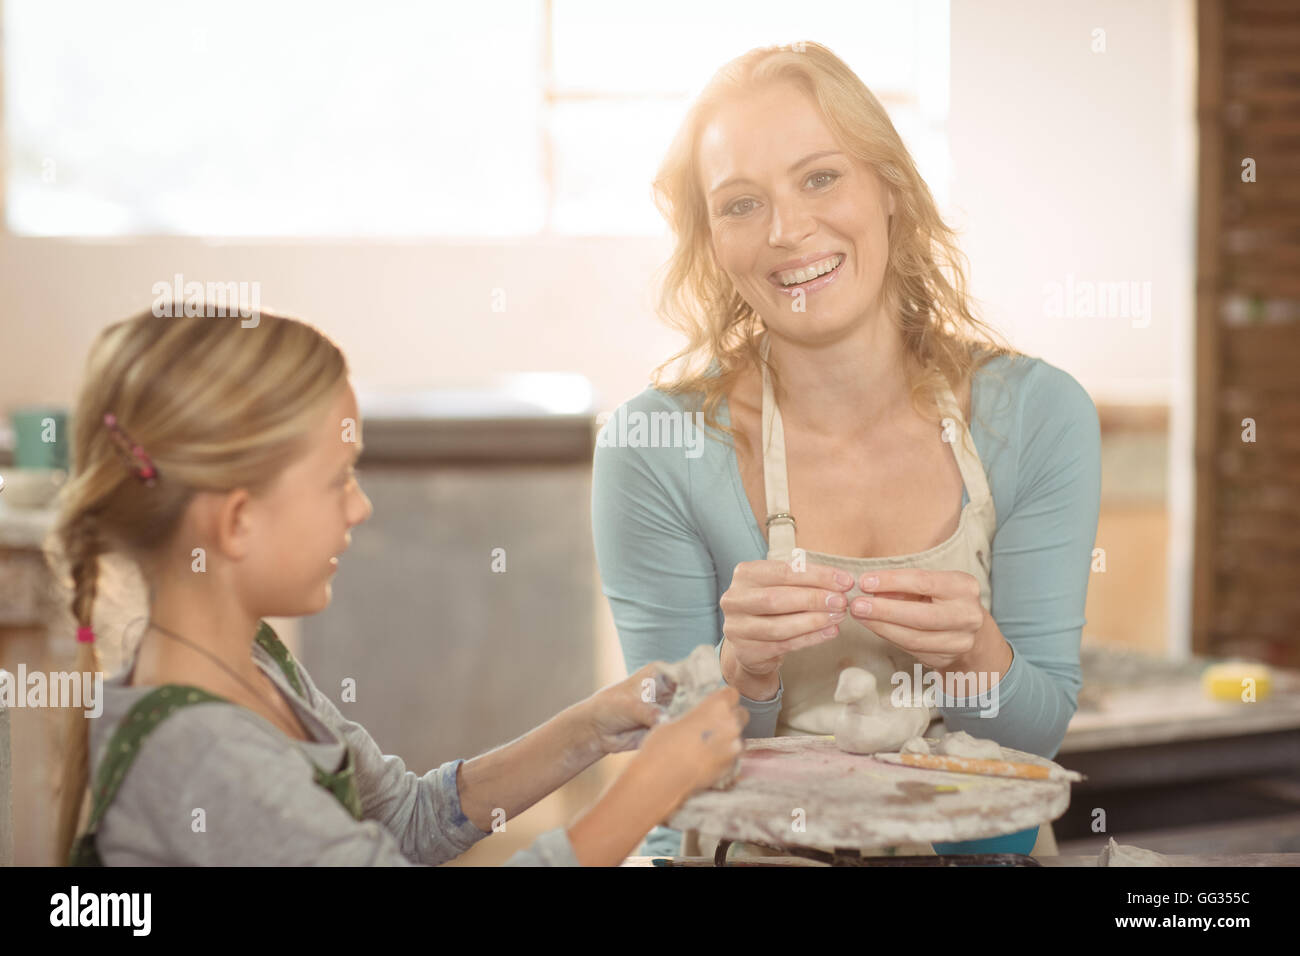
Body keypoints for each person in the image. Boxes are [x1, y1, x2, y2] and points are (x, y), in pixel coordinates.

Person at [592, 41, 1101, 858]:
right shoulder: (654, 446)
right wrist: (743, 677)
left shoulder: (1037, 415)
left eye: (821, 177)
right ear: (711, 241)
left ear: (890, 188)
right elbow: (671, 777)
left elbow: (1034, 741)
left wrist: (974, 651)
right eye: (740, 203)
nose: (789, 231)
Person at [51, 307, 747, 867]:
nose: (360, 507)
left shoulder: (251, 660)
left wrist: (589, 728)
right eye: (338, 480)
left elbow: (409, 822)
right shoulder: (205, 758)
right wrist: (649, 791)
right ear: (236, 521)